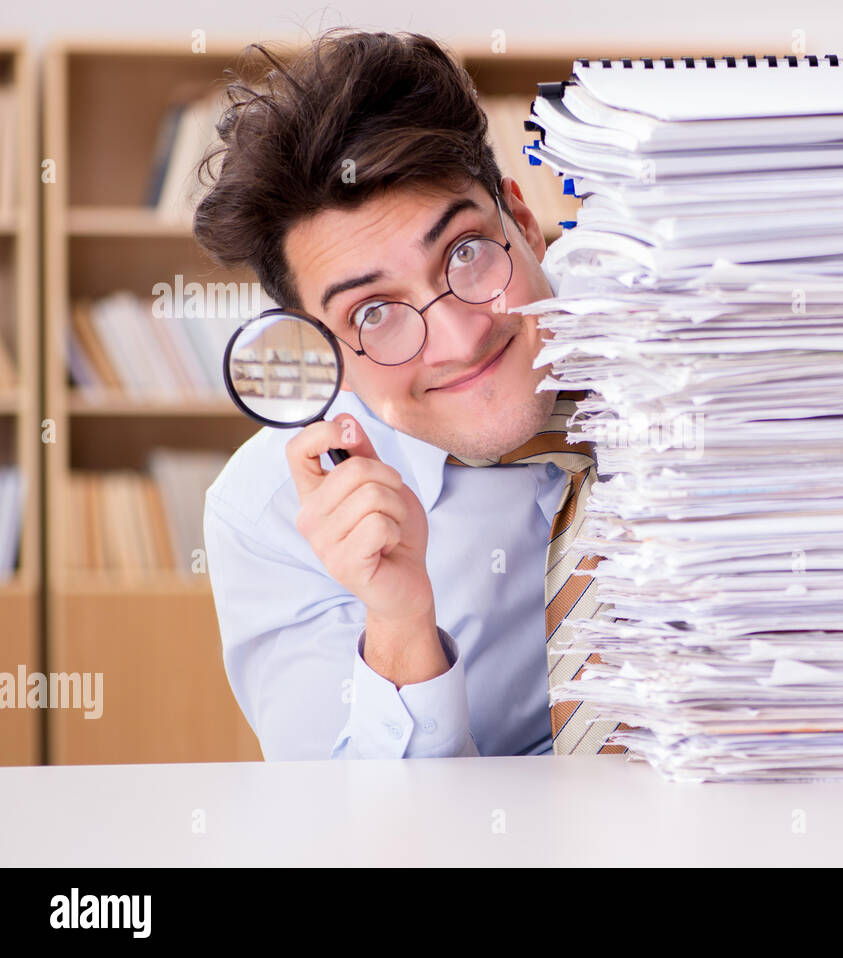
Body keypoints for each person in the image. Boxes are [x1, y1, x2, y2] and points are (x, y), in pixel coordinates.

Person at [196, 28, 582, 760]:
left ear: (526, 224)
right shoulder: (267, 515)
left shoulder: (676, 331)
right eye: (374, 313)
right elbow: (365, 818)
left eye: (466, 253)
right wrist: (401, 627)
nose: (460, 339)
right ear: (327, 351)